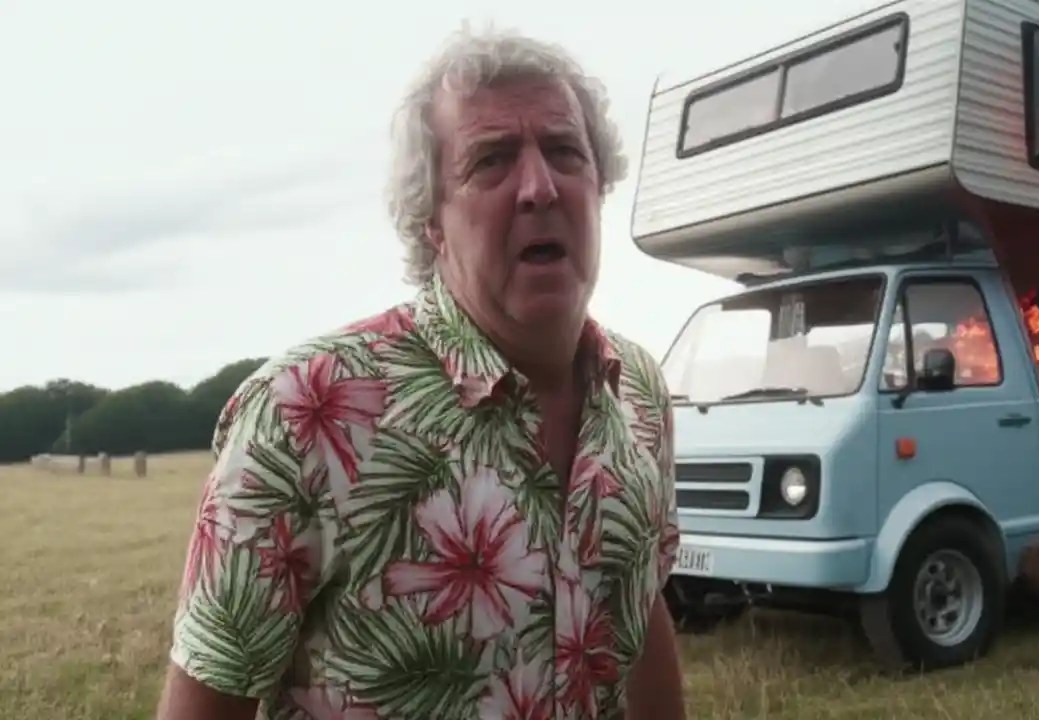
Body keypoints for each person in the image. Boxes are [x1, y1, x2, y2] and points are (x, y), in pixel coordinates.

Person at [155, 24, 686, 720]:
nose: (540, 187)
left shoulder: (640, 390)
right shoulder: (302, 411)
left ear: (600, 185)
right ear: (432, 220)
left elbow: (641, 605)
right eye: (492, 160)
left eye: (565, 152)